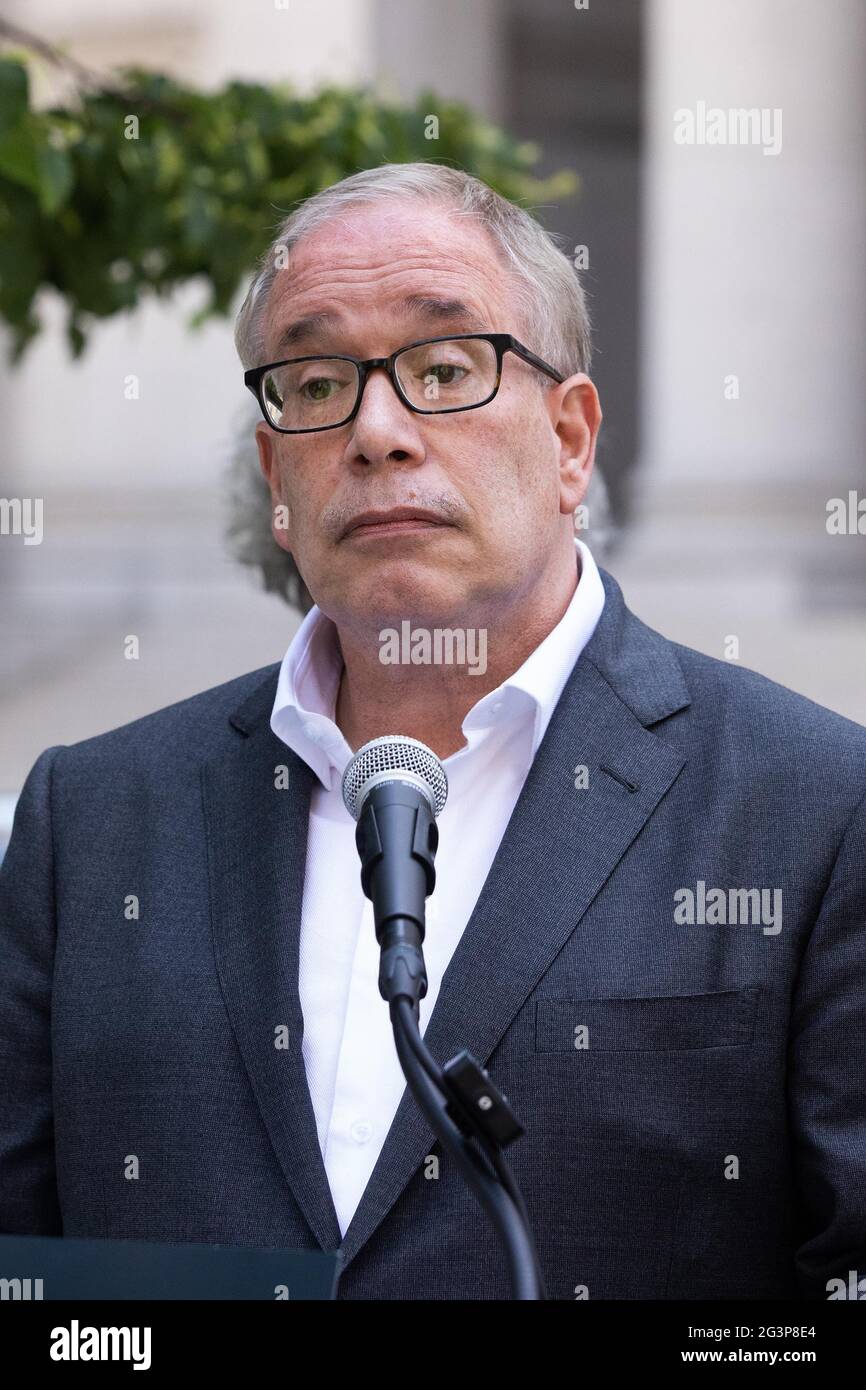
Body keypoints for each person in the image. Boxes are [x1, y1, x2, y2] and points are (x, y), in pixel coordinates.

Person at [1, 164, 864, 1301]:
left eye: (444, 369)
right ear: (276, 476)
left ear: (569, 440)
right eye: (314, 383)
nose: (374, 432)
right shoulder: (91, 818)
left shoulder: (812, 806)